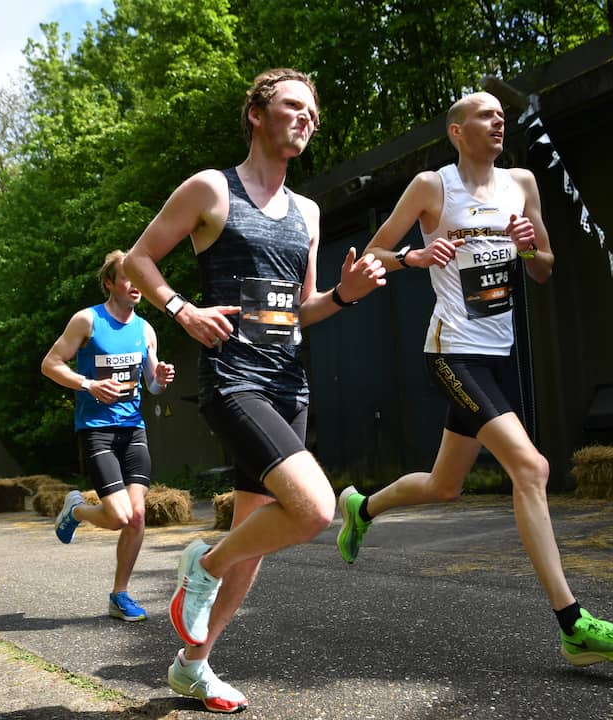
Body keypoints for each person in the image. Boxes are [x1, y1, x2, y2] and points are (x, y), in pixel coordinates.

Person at [335, 91, 613, 667]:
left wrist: (529, 251)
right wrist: (414, 258)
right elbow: (376, 252)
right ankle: (573, 625)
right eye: (485, 114)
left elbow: (545, 268)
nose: (499, 120)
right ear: (457, 131)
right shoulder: (432, 186)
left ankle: (361, 508)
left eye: (502, 115)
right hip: (451, 351)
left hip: (498, 353)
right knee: (532, 468)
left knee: (444, 486)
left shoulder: (522, 183)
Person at [124, 68, 386, 712]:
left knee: (255, 536)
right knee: (314, 509)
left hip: (288, 383)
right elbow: (137, 260)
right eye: (293, 106)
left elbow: (302, 308)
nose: (306, 120)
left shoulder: (309, 212)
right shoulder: (212, 189)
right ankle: (202, 565)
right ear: (257, 114)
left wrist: (345, 295)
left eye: (313, 114)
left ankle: (193, 666)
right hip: (233, 377)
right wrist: (182, 310)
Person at [41, 250, 176, 623]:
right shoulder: (87, 321)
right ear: (109, 283)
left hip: (133, 429)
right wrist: (88, 384)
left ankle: (120, 595)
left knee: (136, 516)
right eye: (128, 277)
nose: (136, 285)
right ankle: (75, 509)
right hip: (97, 431)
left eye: (139, 278)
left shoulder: (145, 330)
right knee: (118, 517)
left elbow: (151, 385)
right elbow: (50, 364)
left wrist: (160, 379)